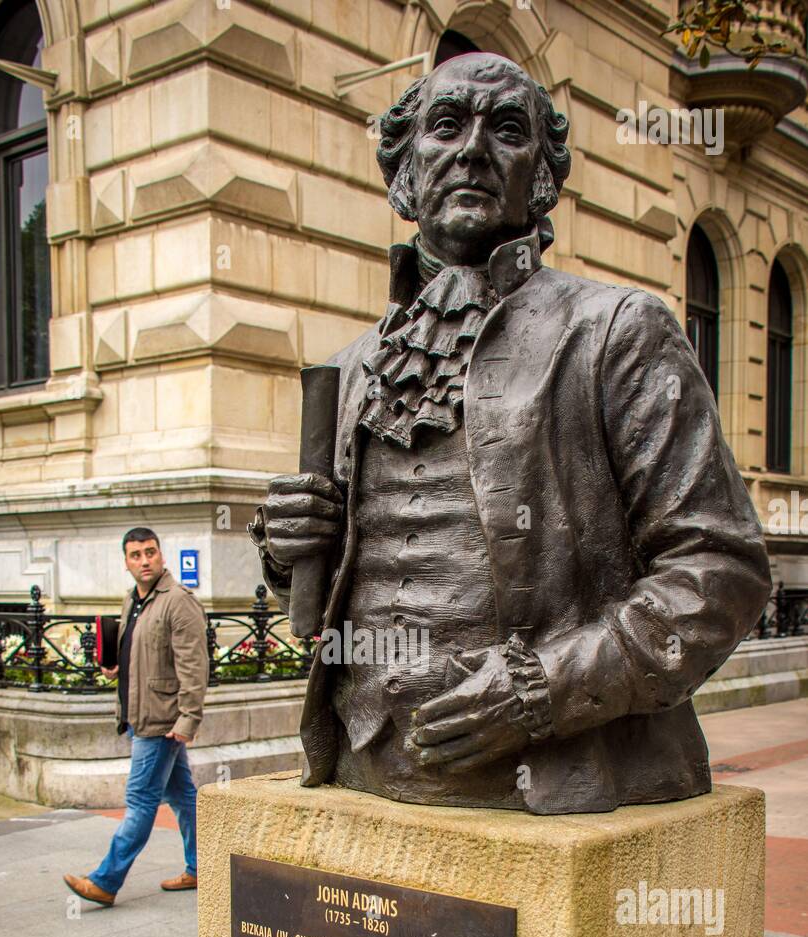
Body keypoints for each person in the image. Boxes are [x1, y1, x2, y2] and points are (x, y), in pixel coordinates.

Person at [248, 52, 771, 815]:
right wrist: (287, 546)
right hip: (366, 769)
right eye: (447, 127)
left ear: (544, 175)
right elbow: (351, 574)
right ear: (405, 174)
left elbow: (720, 569)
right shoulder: (350, 369)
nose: (471, 151)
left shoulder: (617, 331)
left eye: (507, 129)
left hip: (553, 774)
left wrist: (544, 690)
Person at [64, 528, 209, 906]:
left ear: (161, 556)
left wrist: (188, 720)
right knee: (182, 795)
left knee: (141, 800)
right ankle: (202, 867)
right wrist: (116, 668)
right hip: (137, 712)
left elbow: (194, 667)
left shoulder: (179, 602)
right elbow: (138, 650)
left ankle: (105, 882)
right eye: (135, 555)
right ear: (126, 562)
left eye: (150, 552)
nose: (144, 561)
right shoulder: (133, 600)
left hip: (161, 721)